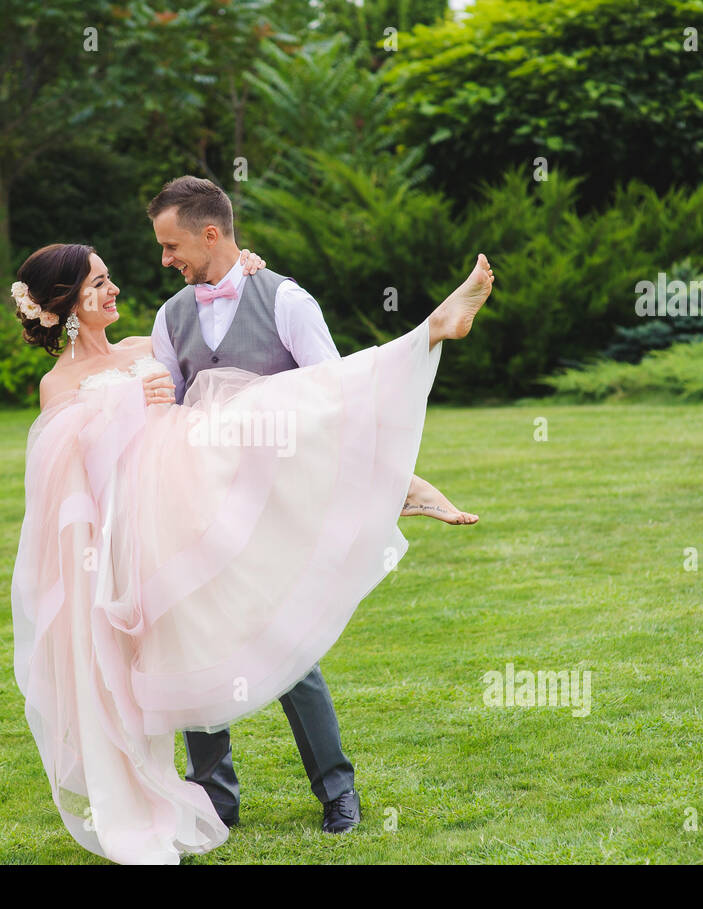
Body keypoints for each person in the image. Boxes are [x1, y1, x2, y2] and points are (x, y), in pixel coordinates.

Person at [10, 232, 493, 865]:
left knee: (284, 624)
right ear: (65, 305)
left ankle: (419, 362)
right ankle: (215, 796)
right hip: (147, 531)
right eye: (98, 283)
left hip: (205, 487)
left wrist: (245, 269)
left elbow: (200, 351)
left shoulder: (143, 343)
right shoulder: (59, 384)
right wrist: (130, 405)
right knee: (180, 657)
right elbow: (74, 483)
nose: (115, 288)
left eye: (108, 278)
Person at [145, 175, 476, 836]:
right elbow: (169, 414)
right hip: (197, 506)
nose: (165, 260)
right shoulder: (168, 317)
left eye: (171, 243)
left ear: (212, 233)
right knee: (191, 644)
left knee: (288, 646)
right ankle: (214, 797)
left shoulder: (285, 299)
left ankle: (338, 791)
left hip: (272, 508)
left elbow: (334, 397)